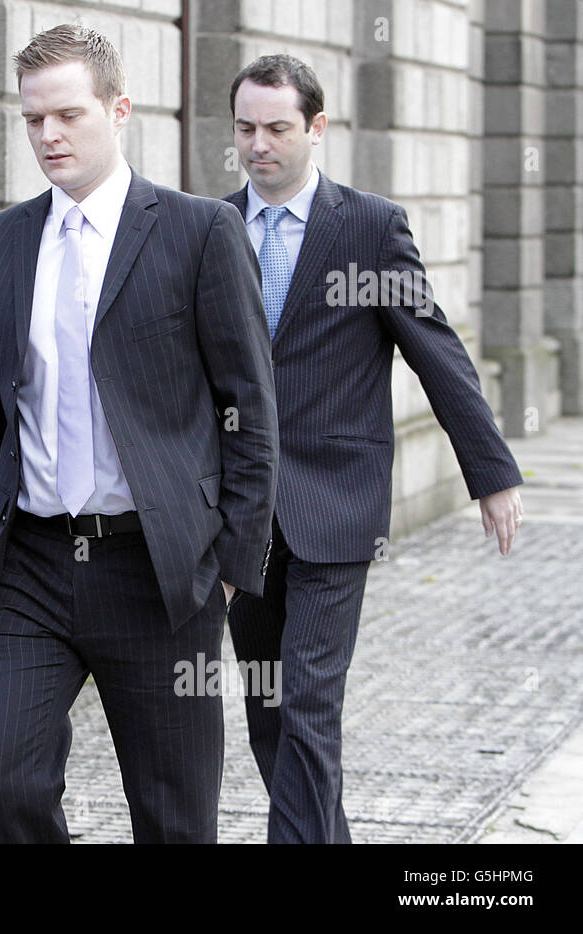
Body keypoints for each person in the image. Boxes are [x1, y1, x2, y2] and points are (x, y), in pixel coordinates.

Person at [0, 25, 279, 844]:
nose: (48, 135)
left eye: (68, 116)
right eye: (33, 119)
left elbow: (252, 410)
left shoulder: (198, 232)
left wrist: (228, 568)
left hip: (159, 573)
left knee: (175, 817)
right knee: (2, 779)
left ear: (119, 111)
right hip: (28, 567)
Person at [223, 54, 524, 844]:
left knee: (310, 704)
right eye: (247, 128)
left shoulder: (369, 227)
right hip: (241, 516)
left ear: (317, 128)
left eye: (278, 128)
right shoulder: (207, 228)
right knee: (267, 711)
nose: (259, 145)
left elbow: (435, 350)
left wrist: (489, 472)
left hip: (336, 504)